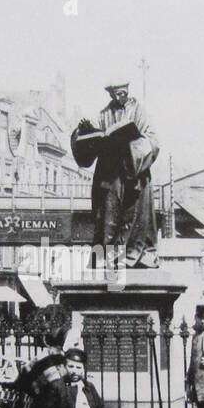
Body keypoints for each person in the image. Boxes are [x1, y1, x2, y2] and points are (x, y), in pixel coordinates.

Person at [70, 81, 160, 269]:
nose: (118, 97)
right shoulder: (103, 115)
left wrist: (131, 149)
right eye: (114, 94)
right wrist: (84, 132)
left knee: (134, 216)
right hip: (109, 174)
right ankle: (105, 257)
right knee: (107, 217)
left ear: (127, 90)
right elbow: (90, 145)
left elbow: (152, 141)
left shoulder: (140, 112)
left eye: (121, 93)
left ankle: (133, 254)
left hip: (133, 175)